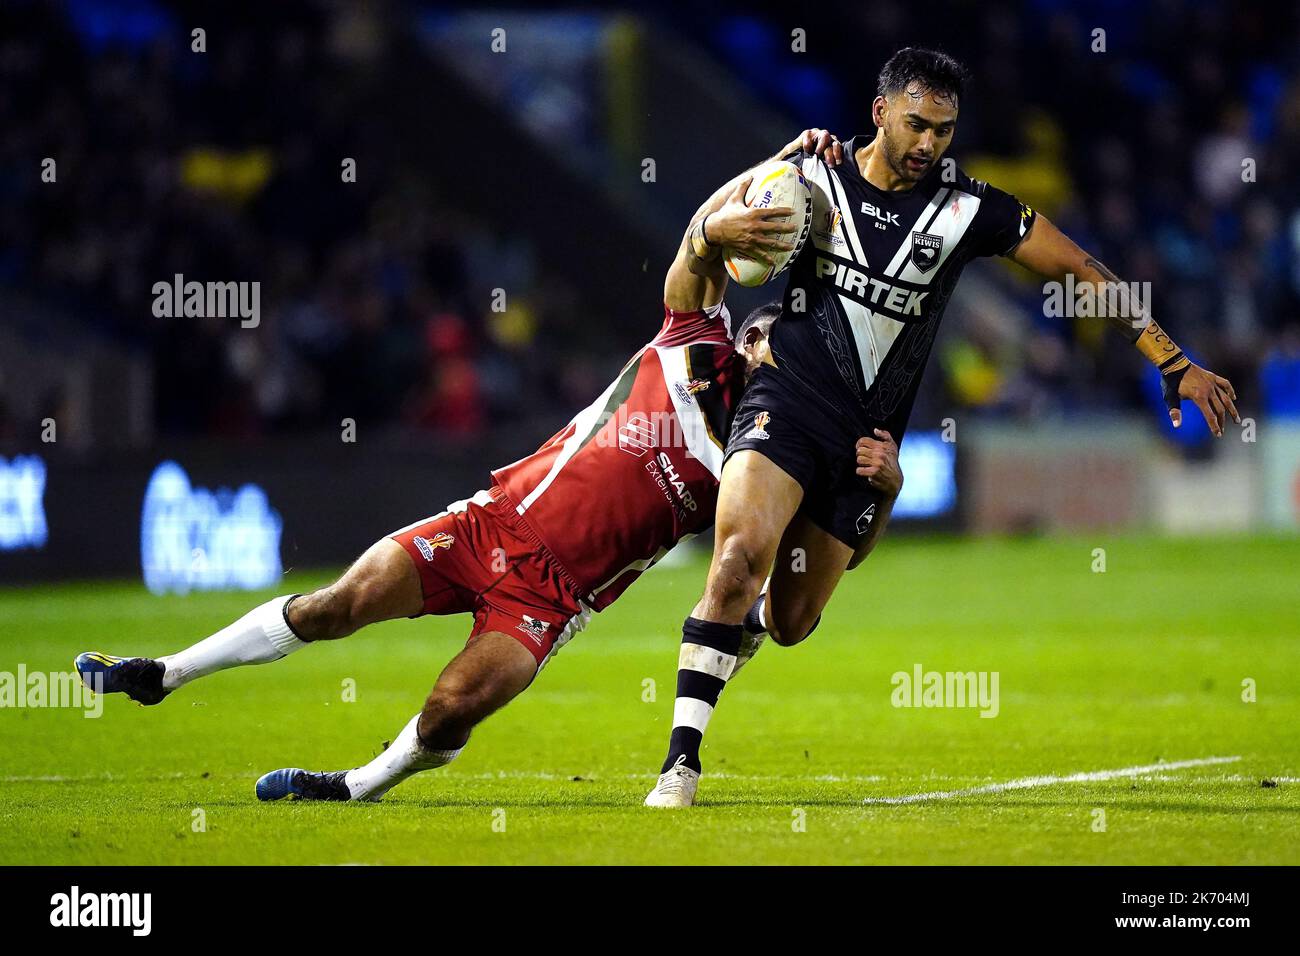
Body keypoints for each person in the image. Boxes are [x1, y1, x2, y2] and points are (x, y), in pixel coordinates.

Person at [75, 131, 895, 804]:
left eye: (777, 348)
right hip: (490, 522)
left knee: (452, 706)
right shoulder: (690, 342)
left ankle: (356, 787)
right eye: (761, 335)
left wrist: (878, 495)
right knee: (340, 604)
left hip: (552, 599)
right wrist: (773, 172)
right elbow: (696, 250)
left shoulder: (762, 466)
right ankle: (162, 672)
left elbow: (832, 556)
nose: (764, 348)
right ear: (747, 337)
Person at [644, 47, 1239, 807]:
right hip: (783, 403)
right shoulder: (809, 182)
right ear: (880, 112)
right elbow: (705, 235)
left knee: (791, 622)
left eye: (945, 130)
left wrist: (1172, 357)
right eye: (917, 124)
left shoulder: (971, 210)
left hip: (865, 441)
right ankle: (681, 764)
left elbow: (1081, 270)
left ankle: (752, 625)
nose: (929, 144)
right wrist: (759, 183)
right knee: (734, 561)